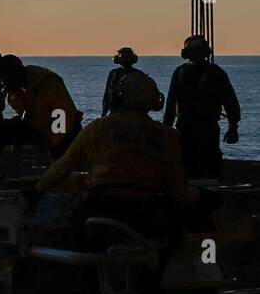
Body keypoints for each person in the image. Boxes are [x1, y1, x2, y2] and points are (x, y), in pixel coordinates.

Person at [26, 72, 190, 246]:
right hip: (146, 212)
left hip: (101, 208)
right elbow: (176, 187)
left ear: (118, 96)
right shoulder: (169, 136)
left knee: (72, 240)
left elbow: (63, 166)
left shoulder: (98, 128)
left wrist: (37, 189)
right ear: (155, 100)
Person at [0, 55, 82, 179]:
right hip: (37, 125)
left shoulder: (47, 82)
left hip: (65, 130)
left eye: (6, 80)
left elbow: (63, 116)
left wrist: (49, 141)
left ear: (15, 75)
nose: (4, 83)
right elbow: (21, 110)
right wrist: (12, 93)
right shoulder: (16, 86)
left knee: (63, 172)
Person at [164, 35, 241, 178]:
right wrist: (166, 128)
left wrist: (233, 126)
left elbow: (230, 101)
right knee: (186, 165)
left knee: (209, 163)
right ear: (186, 53)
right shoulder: (179, 73)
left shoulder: (216, 73)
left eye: (199, 51)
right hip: (184, 127)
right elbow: (171, 103)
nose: (196, 54)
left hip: (208, 127)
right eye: (193, 51)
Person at [101, 47, 144, 117]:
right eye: (123, 57)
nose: (125, 59)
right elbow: (107, 95)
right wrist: (104, 112)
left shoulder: (139, 74)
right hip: (116, 110)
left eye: (127, 57)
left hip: (134, 111)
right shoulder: (113, 73)